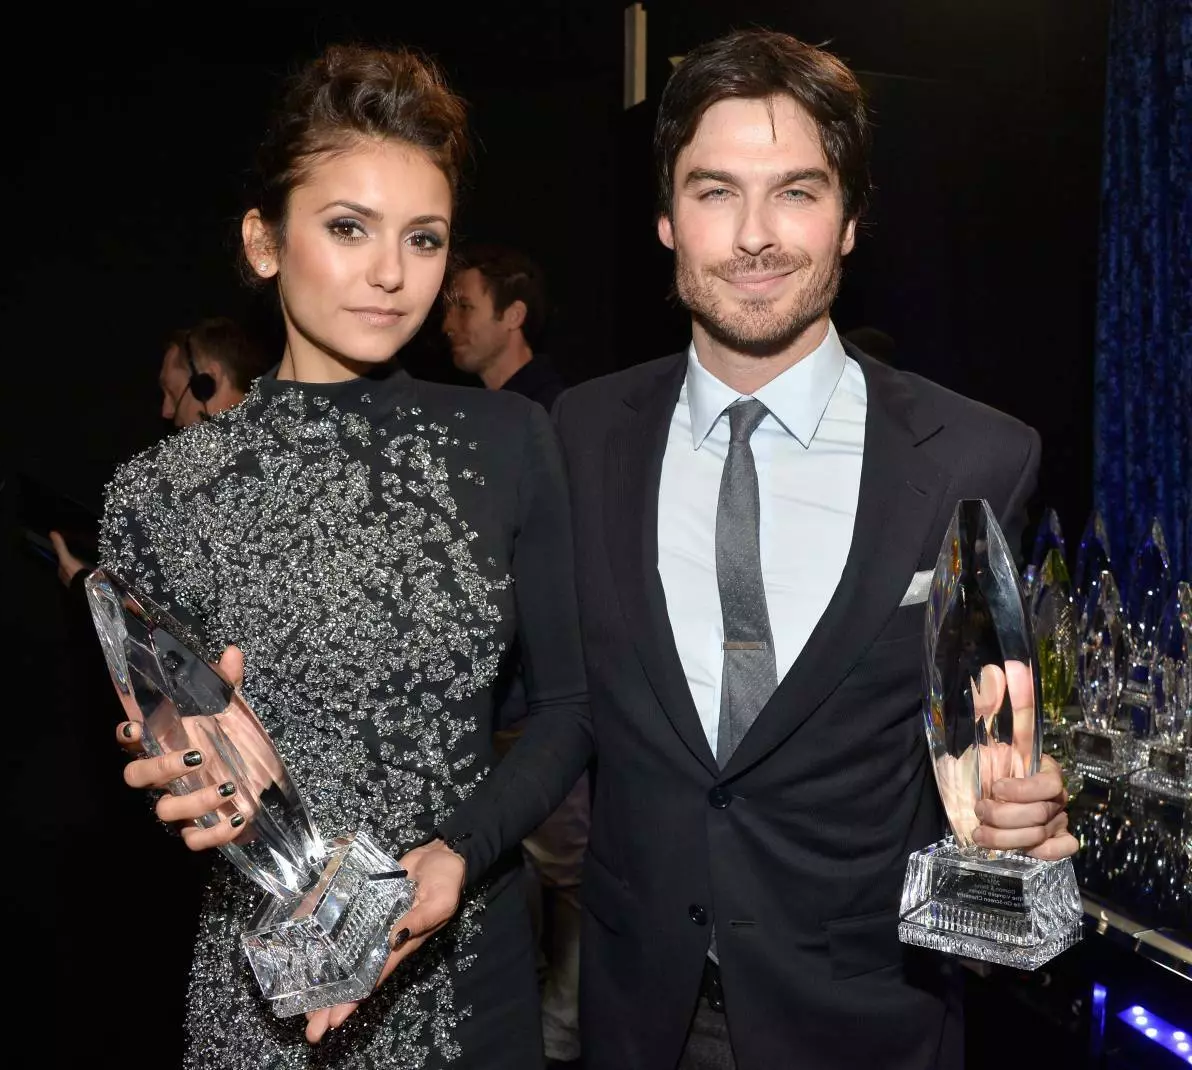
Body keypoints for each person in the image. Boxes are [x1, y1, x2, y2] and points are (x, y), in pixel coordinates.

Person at [398, 29, 1079, 1070]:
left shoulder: (979, 456)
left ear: (850, 219)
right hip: (635, 1017)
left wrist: (1014, 813)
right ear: (667, 218)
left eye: (797, 192)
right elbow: (516, 702)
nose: (756, 235)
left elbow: (986, 727)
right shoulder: (574, 438)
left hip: (868, 1023)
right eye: (717, 192)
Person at [102, 44, 586, 1069]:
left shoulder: (507, 443)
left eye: (424, 239)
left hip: (472, 971)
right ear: (264, 241)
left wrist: (459, 853)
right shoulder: (161, 494)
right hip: (266, 991)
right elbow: (181, 751)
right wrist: (179, 774)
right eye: (347, 227)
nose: (389, 272)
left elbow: (569, 709)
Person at [444, 241, 586, 1067]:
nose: (448, 320)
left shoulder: (552, 420)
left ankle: (564, 1040)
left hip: (537, 714)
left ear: (514, 316)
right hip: (491, 714)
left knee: (575, 888)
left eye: (465, 303)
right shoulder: (463, 420)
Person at [49, 316, 269, 586]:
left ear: (208, 382)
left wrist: (91, 590)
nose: (166, 411)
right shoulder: (266, 450)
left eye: (172, 391)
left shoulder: (233, 475)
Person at [443, 244, 565, 409]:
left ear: (514, 316)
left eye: (465, 308)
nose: (447, 326)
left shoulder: (552, 412)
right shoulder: (473, 408)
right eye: (449, 310)